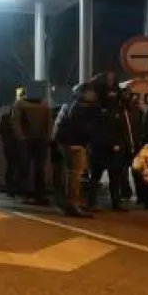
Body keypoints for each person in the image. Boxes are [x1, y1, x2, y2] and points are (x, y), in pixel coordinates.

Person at [87, 73, 133, 212]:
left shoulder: (118, 106)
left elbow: (123, 128)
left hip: (115, 146)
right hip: (100, 146)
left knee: (115, 176)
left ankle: (115, 203)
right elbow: (93, 128)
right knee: (96, 175)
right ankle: (92, 203)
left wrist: (124, 145)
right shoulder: (96, 106)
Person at [52, 82, 97, 217]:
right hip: (73, 143)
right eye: (90, 91)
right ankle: (73, 204)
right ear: (82, 93)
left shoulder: (73, 105)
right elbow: (79, 127)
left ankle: (72, 203)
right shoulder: (78, 107)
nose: (93, 94)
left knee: (74, 174)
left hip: (71, 143)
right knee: (75, 174)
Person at [11, 85, 52, 205]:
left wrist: (20, 136)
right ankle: (38, 194)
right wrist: (48, 137)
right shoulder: (45, 104)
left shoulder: (19, 104)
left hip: (28, 139)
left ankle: (27, 194)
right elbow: (49, 123)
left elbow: (15, 121)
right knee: (37, 168)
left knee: (26, 168)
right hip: (37, 139)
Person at [0, 111, 20, 195]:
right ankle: (12, 187)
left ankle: (9, 187)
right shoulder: (10, 127)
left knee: (10, 168)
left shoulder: (3, 127)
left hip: (7, 149)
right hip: (13, 148)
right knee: (13, 168)